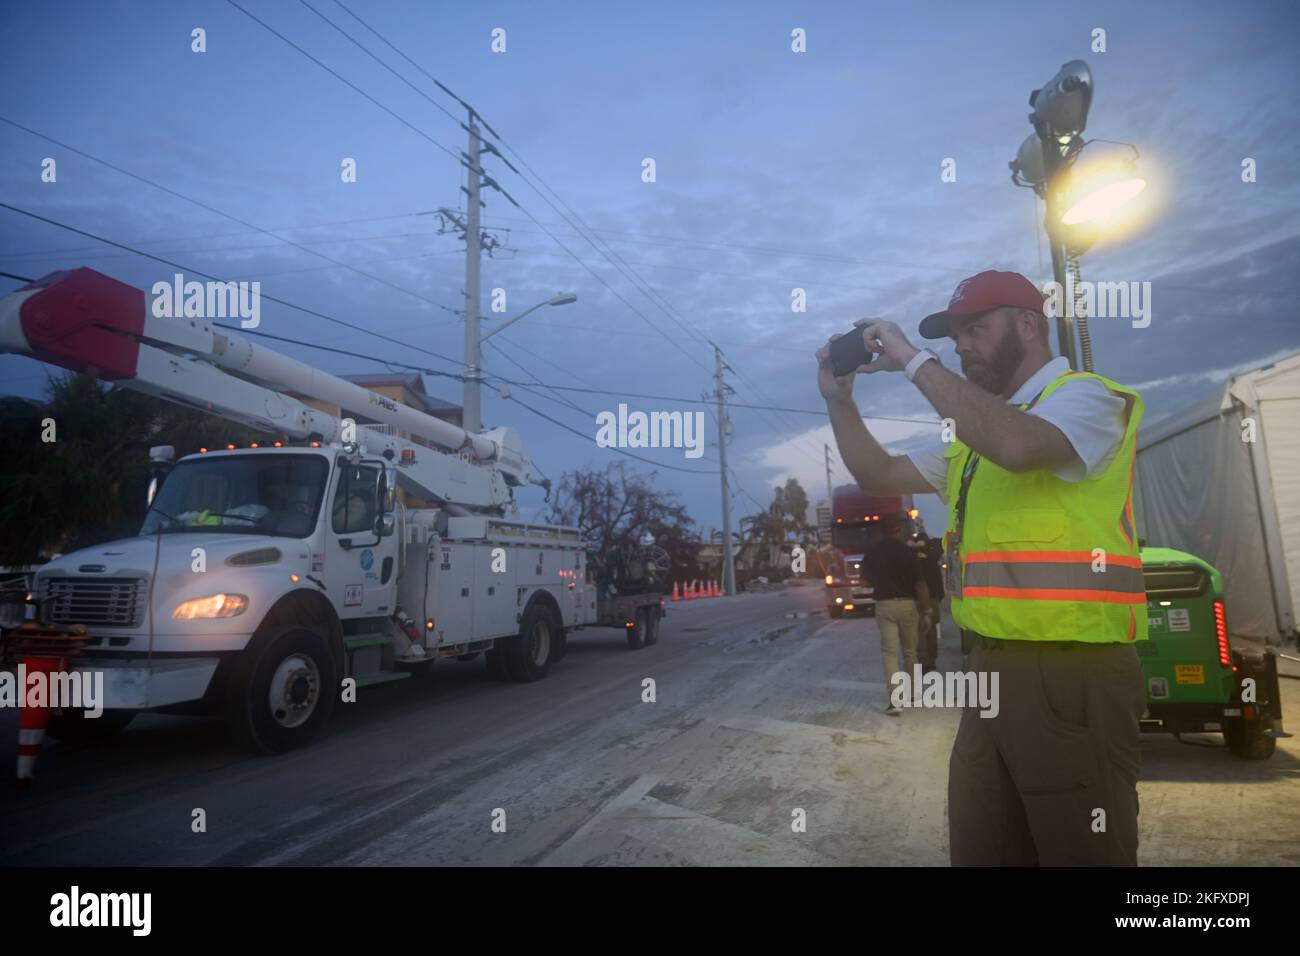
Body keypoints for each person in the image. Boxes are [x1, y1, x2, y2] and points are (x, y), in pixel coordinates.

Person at [816, 269, 1147, 867]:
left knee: (1081, 851)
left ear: (1028, 325)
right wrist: (839, 402)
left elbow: (1021, 447)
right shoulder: (972, 439)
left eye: (977, 328)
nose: (964, 344)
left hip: (1071, 671)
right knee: (983, 847)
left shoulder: (1087, 398)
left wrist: (913, 362)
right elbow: (880, 477)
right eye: (956, 334)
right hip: (987, 668)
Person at [862, 514, 932, 715]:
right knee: (910, 651)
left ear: (882, 531)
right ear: (898, 530)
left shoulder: (872, 553)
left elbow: (864, 582)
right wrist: (927, 611)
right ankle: (915, 695)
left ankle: (895, 701)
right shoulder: (908, 552)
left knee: (889, 653)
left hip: (884, 606)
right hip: (908, 605)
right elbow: (920, 584)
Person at [908, 531, 945, 672]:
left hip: (916, 597)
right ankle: (931, 660)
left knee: (919, 630)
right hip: (933, 597)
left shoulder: (911, 557)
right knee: (931, 630)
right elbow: (941, 543)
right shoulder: (932, 556)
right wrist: (927, 543)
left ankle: (921, 658)